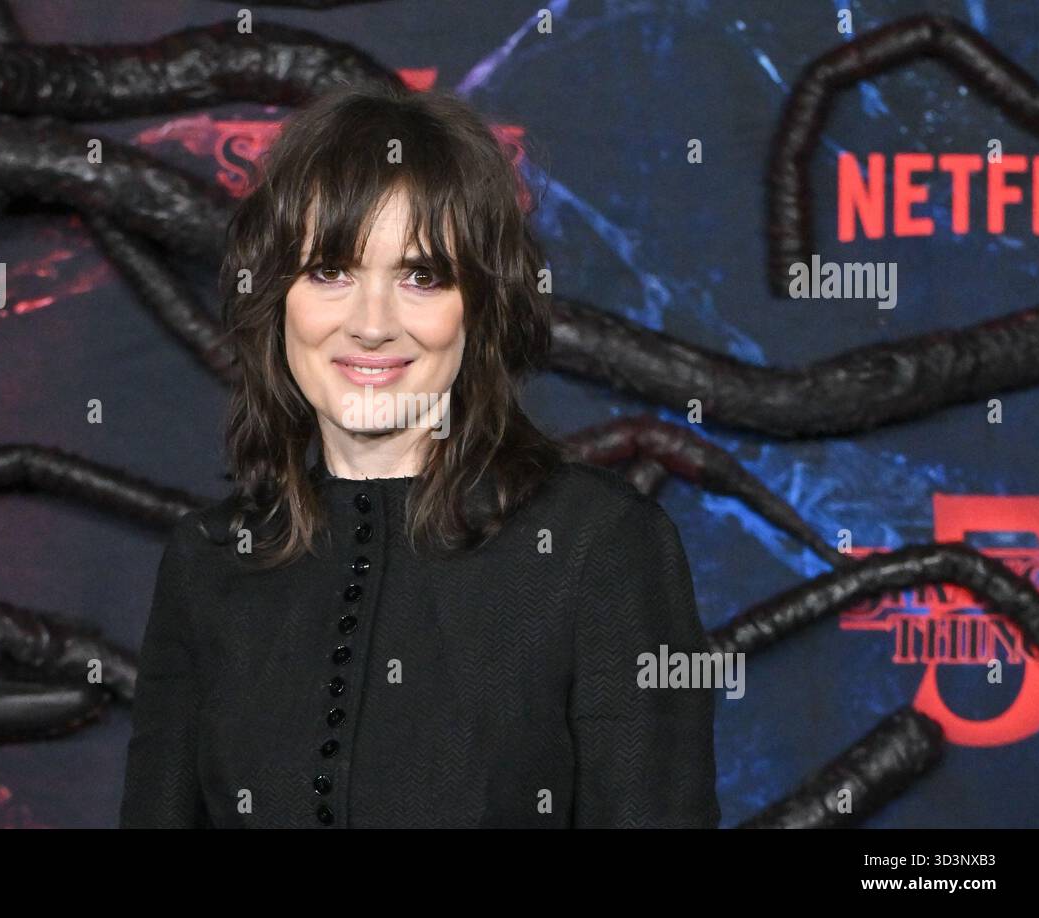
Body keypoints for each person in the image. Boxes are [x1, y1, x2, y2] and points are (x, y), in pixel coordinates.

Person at [119, 82, 720, 828]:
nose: (371, 324)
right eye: (330, 271)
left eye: (421, 276)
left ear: (482, 307)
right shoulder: (208, 561)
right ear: (276, 298)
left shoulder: (600, 548)